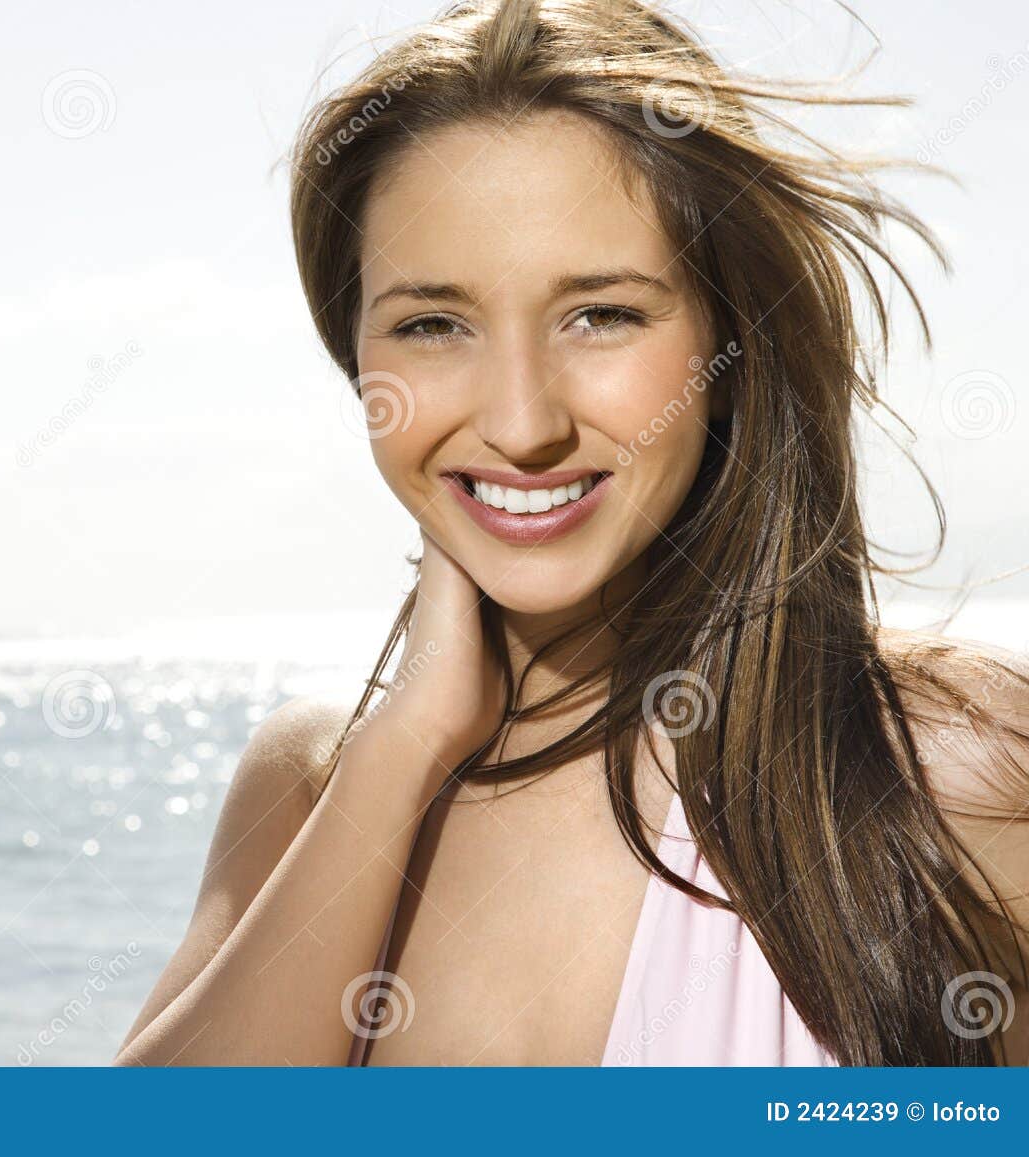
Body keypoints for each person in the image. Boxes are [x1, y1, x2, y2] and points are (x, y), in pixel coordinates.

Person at [114, 0, 1029, 1066]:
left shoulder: (950, 763)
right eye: (431, 324)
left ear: (728, 344)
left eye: (600, 313)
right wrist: (405, 744)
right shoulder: (316, 777)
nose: (520, 423)